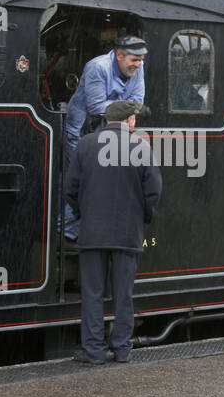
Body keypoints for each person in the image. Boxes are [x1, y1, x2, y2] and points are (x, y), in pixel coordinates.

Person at [64, 99, 162, 365]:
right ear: (130, 121)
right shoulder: (141, 147)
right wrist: (142, 216)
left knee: (92, 293)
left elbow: (70, 189)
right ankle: (121, 348)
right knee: (123, 295)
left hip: (92, 232)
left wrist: (83, 213)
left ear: (107, 121)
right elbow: (154, 190)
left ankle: (94, 350)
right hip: (127, 233)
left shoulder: (85, 145)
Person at [63, 34, 147, 239]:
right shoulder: (97, 67)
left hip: (108, 133)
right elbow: (96, 106)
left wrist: (130, 110)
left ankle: (86, 232)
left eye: (141, 60)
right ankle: (66, 232)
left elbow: (138, 100)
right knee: (84, 182)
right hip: (82, 132)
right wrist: (128, 109)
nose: (138, 64)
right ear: (119, 55)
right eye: (134, 60)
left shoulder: (138, 67)